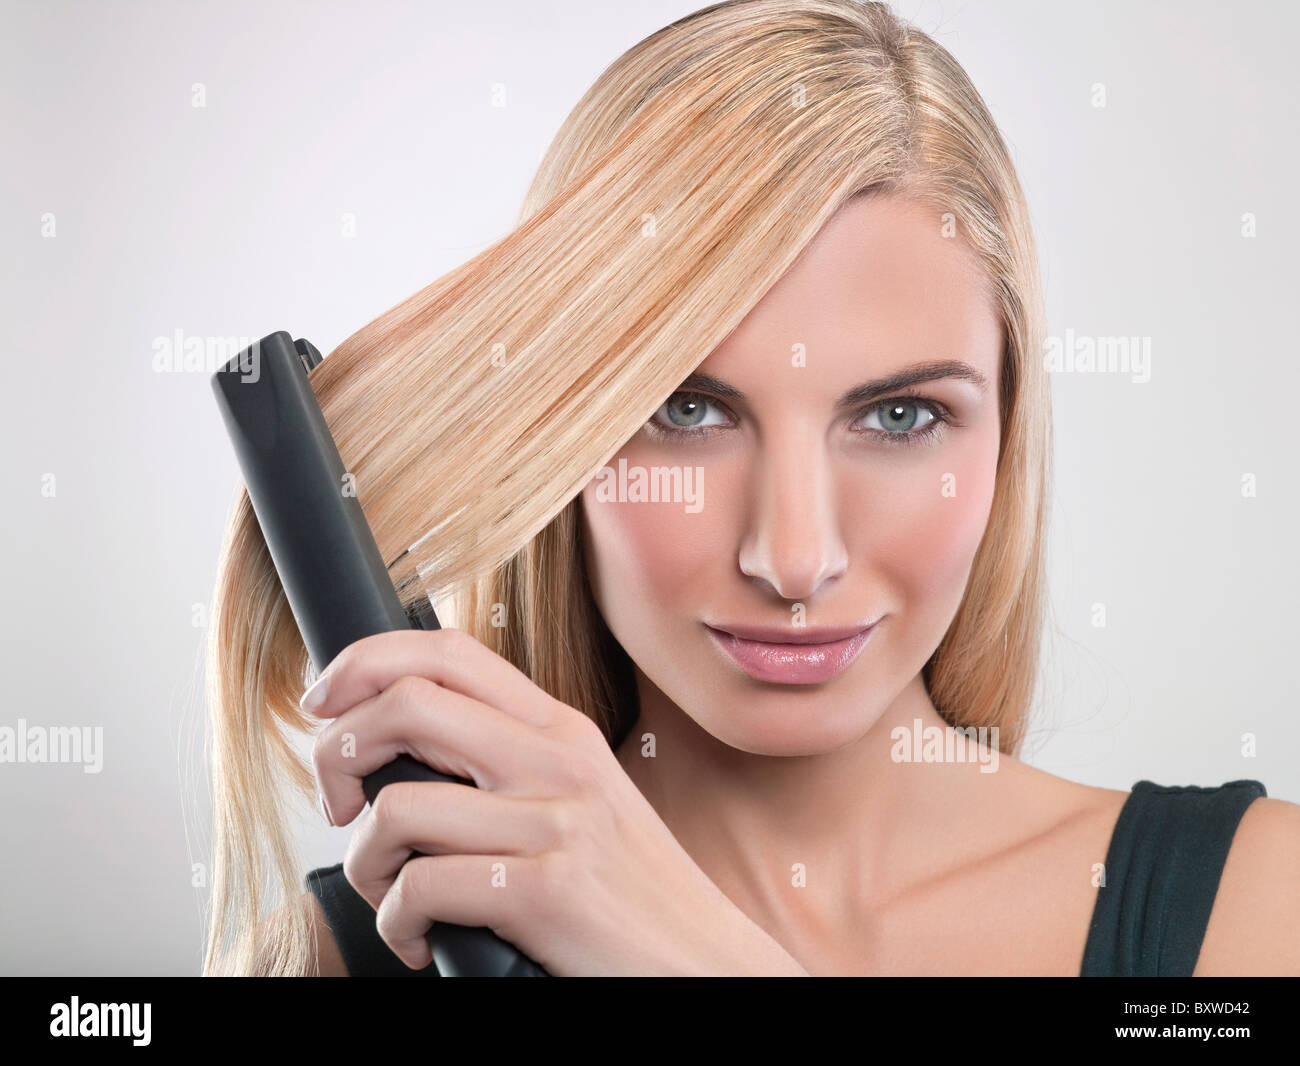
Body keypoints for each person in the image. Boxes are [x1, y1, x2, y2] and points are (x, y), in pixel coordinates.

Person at [202, 0, 1300, 977]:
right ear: (564, 423)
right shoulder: (342, 957)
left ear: (1009, 429)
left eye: (900, 416)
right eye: (686, 410)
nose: (792, 557)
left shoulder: (1258, 911)